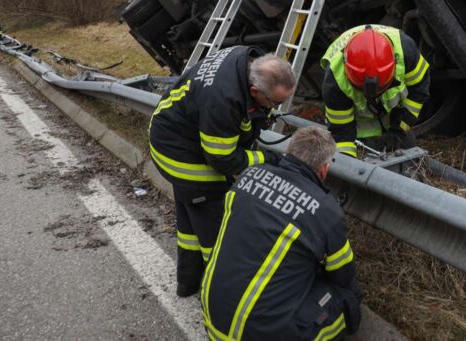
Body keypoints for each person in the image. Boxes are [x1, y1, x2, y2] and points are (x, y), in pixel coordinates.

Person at [148, 47, 297, 298]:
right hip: (182, 157)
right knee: (217, 232)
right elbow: (224, 160)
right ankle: (222, 297)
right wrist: (265, 158)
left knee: (190, 220)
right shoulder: (224, 100)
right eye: (275, 103)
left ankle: (188, 283)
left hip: (173, 137)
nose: (276, 108)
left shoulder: (244, 61)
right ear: (254, 91)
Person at [200, 126, 361, 341]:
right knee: (346, 298)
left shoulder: (248, 176)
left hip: (213, 318)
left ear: (288, 152)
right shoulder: (326, 211)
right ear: (324, 170)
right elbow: (342, 275)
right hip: (262, 334)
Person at [320, 24, 431, 157]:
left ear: (394, 64)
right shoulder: (334, 82)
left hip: (392, 113)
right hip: (359, 123)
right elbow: (342, 134)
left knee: (408, 150)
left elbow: (418, 94)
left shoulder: (407, 53)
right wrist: (349, 167)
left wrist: (397, 131)